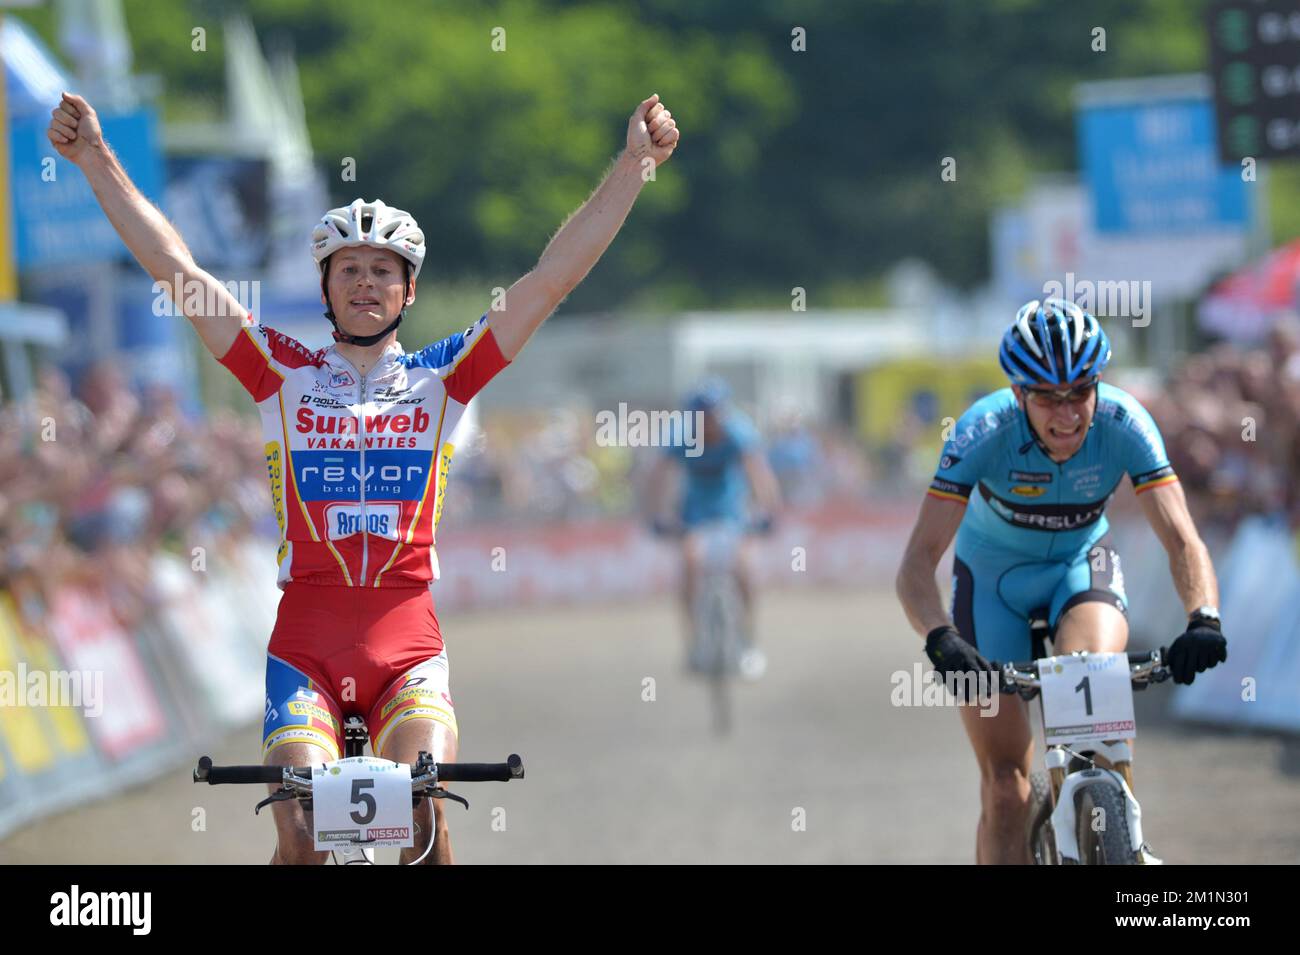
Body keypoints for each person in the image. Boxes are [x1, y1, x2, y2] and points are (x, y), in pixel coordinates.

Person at [49, 89, 679, 864]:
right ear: (325, 287)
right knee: (303, 835)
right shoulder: (277, 372)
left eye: (384, 270)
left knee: (424, 817)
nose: (366, 282)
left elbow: (551, 279)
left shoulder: (445, 376)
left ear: (408, 291)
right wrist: (96, 160)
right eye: (349, 267)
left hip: (407, 640)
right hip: (304, 647)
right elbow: (176, 272)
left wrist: (633, 165)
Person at [895, 298, 1227, 864]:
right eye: (1048, 396)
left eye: (1080, 391)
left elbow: (1183, 540)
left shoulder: (1125, 423)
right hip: (991, 583)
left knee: (1092, 726)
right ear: (1019, 393)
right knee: (1006, 789)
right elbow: (917, 563)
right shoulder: (982, 430)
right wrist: (939, 637)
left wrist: (1203, 617)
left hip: (1079, 568)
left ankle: (1115, 834)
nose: (1068, 412)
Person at [647, 378, 781, 679]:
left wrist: (768, 512)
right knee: (691, 562)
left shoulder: (739, 433)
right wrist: (657, 516)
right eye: (702, 417)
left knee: (744, 566)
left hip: (732, 512)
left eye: (713, 416)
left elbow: (759, 475)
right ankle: (694, 644)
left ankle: (748, 642)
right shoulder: (679, 436)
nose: (708, 424)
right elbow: (658, 477)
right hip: (695, 514)